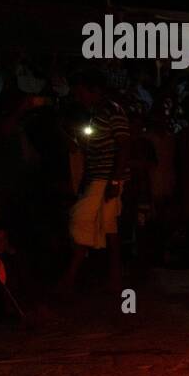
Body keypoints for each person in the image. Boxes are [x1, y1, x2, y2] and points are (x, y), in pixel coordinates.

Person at [59, 69, 130, 294]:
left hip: (106, 178)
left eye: (81, 92)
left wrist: (115, 180)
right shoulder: (95, 114)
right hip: (100, 177)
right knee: (107, 226)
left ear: (95, 90)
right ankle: (111, 277)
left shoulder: (112, 111)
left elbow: (124, 145)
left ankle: (73, 276)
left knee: (82, 221)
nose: (78, 96)